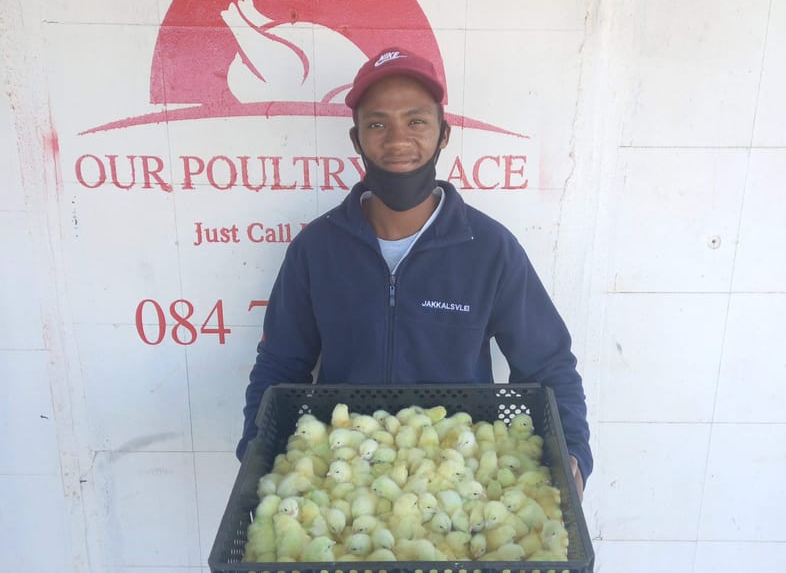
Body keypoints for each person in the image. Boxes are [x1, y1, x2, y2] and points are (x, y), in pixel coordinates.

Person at [237, 46, 592, 497]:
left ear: (444, 134)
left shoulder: (489, 248)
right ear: (356, 140)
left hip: (460, 484)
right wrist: (257, 450)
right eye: (377, 124)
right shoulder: (317, 249)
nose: (397, 140)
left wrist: (572, 454)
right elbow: (279, 364)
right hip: (344, 483)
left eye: (416, 121)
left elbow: (548, 365)